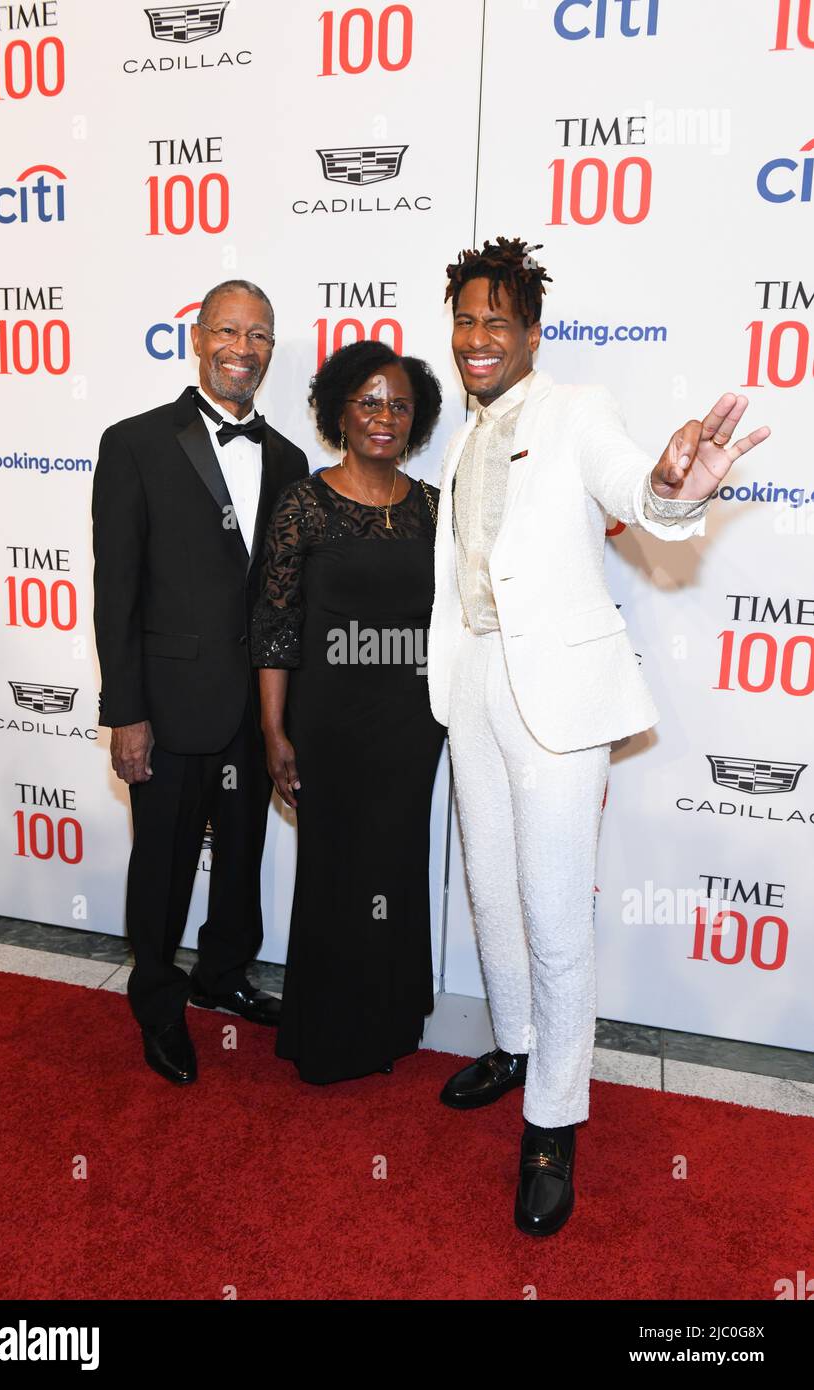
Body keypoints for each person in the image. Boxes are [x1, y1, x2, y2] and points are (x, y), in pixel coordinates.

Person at [427, 236, 771, 1235]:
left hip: (557, 698)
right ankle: (517, 1042)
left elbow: (639, 493)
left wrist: (676, 482)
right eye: (465, 318)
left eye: (497, 319)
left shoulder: (576, 412)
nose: (478, 336)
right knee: (488, 891)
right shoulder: (461, 433)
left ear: (531, 331)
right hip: (473, 682)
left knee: (549, 903)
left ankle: (552, 1117)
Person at [92, 279, 308, 1085]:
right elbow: (116, 593)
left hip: (254, 710)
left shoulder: (287, 458)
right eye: (227, 331)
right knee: (163, 863)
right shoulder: (136, 443)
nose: (241, 349)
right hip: (169, 705)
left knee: (243, 856)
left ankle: (222, 976)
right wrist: (128, 713)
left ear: (270, 352)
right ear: (197, 337)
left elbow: (284, 598)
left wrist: (286, 719)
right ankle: (156, 1000)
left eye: (257, 336)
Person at [251, 341, 445, 1084]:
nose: (384, 416)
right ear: (340, 410)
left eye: (398, 404)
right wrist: (274, 730)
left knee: (396, 864)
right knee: (334, 869)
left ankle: (392, 1017)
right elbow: (274, 623)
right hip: (329, 720)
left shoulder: (432, 506)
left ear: (416, 418)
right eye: (369, 401)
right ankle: (331, 1033)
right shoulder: (305, 502)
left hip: (411, 722)